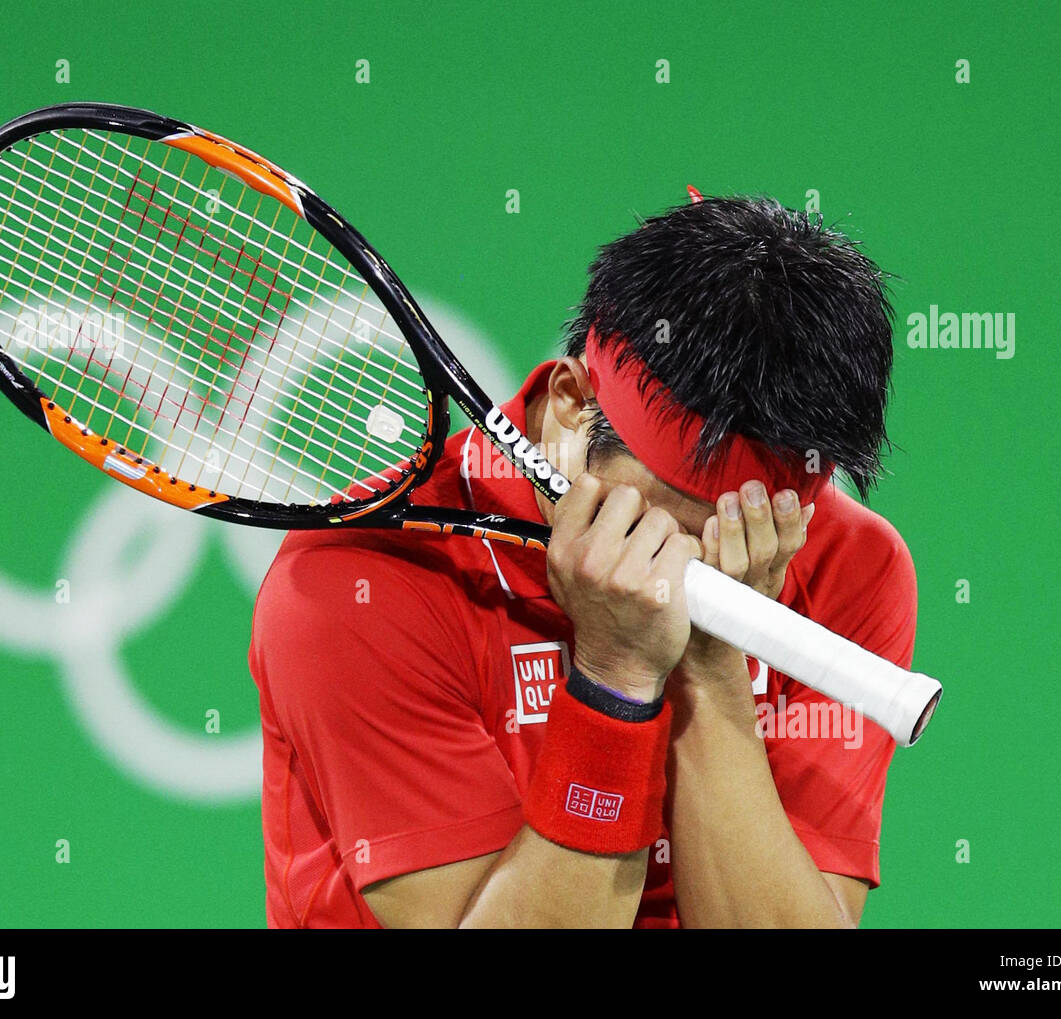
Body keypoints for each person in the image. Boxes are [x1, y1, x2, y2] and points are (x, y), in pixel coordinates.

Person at [249, 195, 917, 928]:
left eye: (760, 522)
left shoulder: (853, 563)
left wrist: (712, 665)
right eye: (682, 518)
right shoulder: (355, 586)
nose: (710, 560)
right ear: (572, 402)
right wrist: (618, 681)